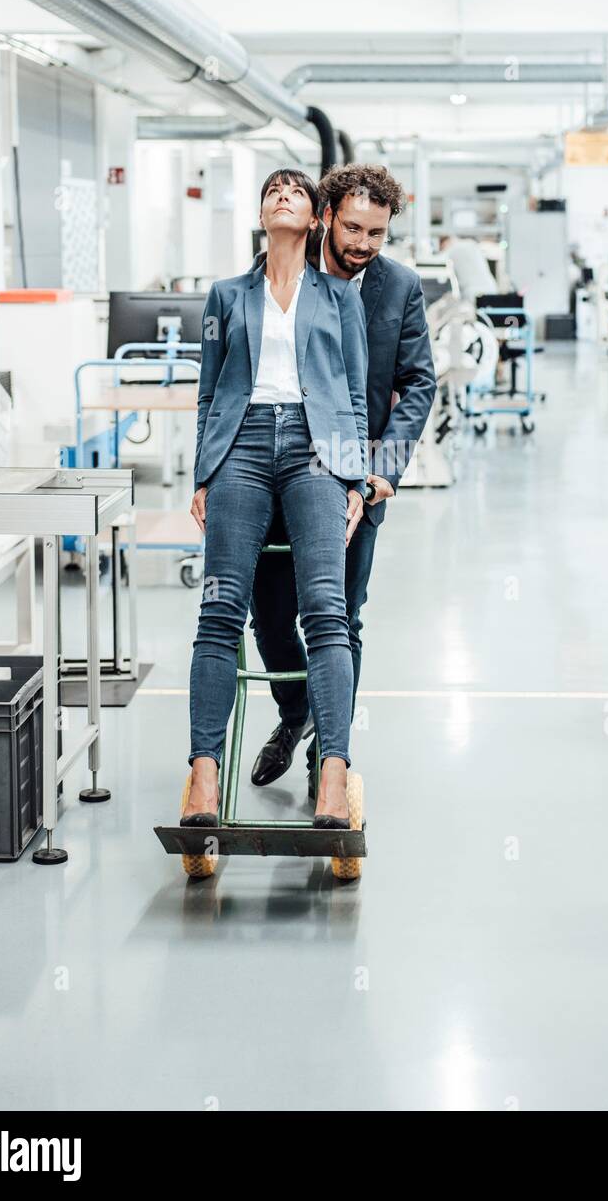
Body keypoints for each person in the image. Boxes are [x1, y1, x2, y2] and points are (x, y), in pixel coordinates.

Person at [183, 168, 369, 829]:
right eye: (272, 191)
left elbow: (353, 394)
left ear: (315, 217)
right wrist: (203, 472)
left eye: (295, 191)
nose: (282, 196)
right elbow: (209, 393)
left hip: (316, 451)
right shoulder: (225, 296)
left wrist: (355, 477)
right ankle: (204, 775)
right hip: (242, 445)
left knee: (325, 610)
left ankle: (332, 773)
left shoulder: (339, 296)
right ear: (261, 214)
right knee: (219, 609)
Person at [248, 163, 437, 798]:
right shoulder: (278, 271)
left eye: (376, 233)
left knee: (339, 620)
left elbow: (419, 384)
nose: (362, 243)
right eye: (353, 228)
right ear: (327, 216)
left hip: (355, 483)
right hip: (274, 474)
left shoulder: (398, 288)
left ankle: (328, 753)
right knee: (270, 616)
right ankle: (295, 711)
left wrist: (382, 472)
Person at [439, 232, 498, 302]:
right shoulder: (471, 243)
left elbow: (435, 260)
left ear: (444, 243)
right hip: (491, 288)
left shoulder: (452, 249)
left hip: (473, 293)